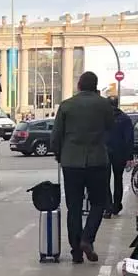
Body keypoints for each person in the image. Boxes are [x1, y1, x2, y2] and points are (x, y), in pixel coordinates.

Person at [52, 71, 114, 264]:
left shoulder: (67, 105)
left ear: (79, 85)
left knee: (74, 207)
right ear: (96, 86)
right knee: (98, 203)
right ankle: (88, 238)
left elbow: (56, 135)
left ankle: (76, 251)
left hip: (71, 162)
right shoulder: (104, 104)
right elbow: (110, 128)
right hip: (97, 161)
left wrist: (59, 155)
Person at [105, 97, 134, 218]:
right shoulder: (125, 118)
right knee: (118, 180)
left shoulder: (103, 118)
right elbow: (129, 139)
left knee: (105, 181)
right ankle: (116, 205)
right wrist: (129, 157)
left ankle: (107, 207)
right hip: (120, 153)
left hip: (104, 153)